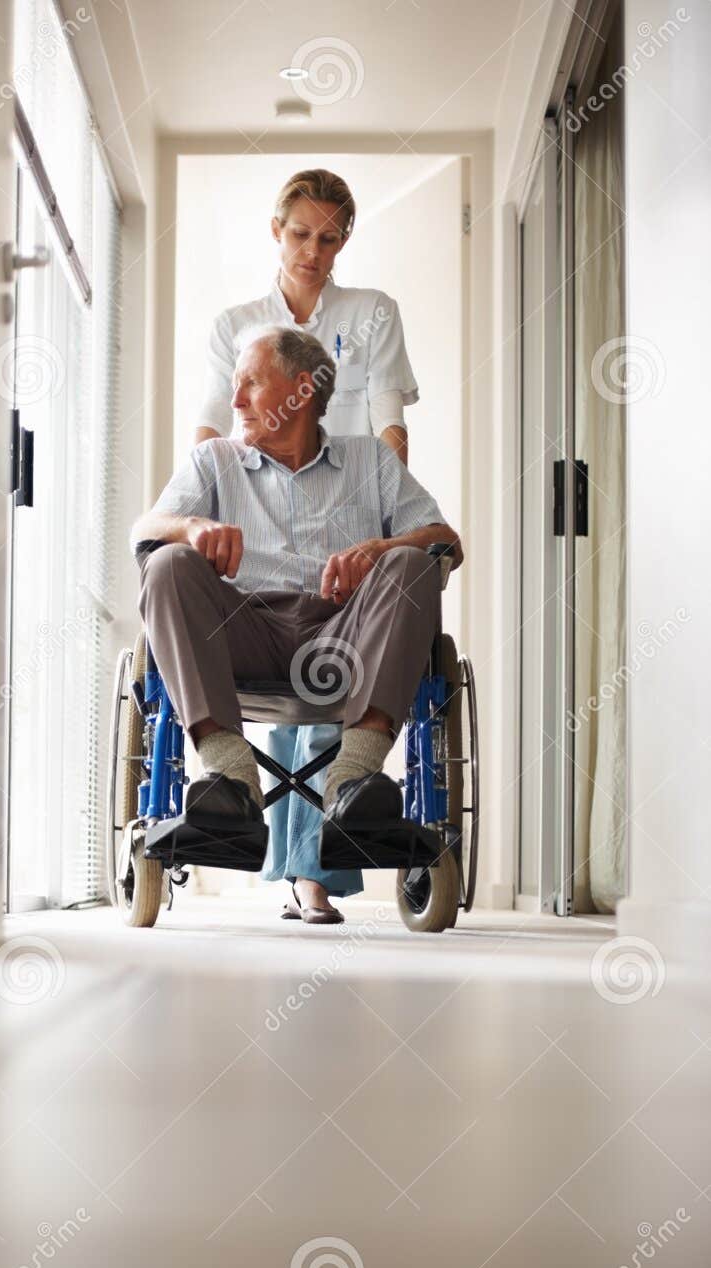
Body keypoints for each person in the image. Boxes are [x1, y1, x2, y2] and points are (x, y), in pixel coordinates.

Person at [132, 328, 461, 868]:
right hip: (241, 635)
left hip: (343, 639)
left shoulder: (370, 462)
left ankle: (353, 781)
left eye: (251, 385)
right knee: (166, 558)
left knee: (411, 561)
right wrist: (191, 527)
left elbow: (446, 541)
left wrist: (382, 548)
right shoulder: (214, 461)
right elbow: (144, 530)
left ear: (302, 390)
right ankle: (232, 782)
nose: (235, 402)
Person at [196, 168, 420, 922]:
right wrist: (202, 513)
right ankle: (294, 856)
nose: (313, 251)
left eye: (329, 237)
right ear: (275, 231)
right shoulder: (235, 322)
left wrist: (379, 527)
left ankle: (313, 867)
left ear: (345, 238)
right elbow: (212, 427)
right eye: (300, 234)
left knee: (335, 664)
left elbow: (388, 425)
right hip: (258, 509)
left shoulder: (370, 312)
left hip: (349, 502)